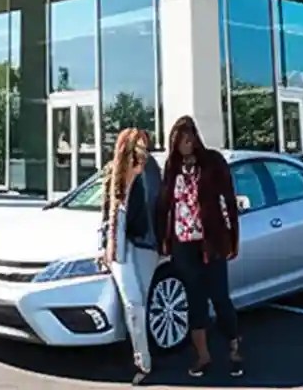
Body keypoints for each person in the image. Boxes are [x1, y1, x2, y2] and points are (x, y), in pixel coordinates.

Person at [155, 115, 243, 378]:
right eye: (182, 139)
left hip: (211, 242)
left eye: (190, 137)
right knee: (195, 301)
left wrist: (232, 238)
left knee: (220, 297)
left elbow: (228, 200)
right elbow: (163, 206)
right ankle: (203, 356)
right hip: (184, 244)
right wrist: (163, 238)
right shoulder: (171, 167)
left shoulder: (213, 162)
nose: (187, 142)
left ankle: (235, 347)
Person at [99, 128, 160, 386]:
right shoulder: (114, 173)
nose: (141, 151)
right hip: (120, 243)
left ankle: (141, 350)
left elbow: (160, 203)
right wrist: (103, 246)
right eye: (136, 146)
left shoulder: (152, 170)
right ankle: (142, 361)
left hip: (146, 242)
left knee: (141, 301)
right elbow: (106, 213)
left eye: (144, 145)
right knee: (132, 302)